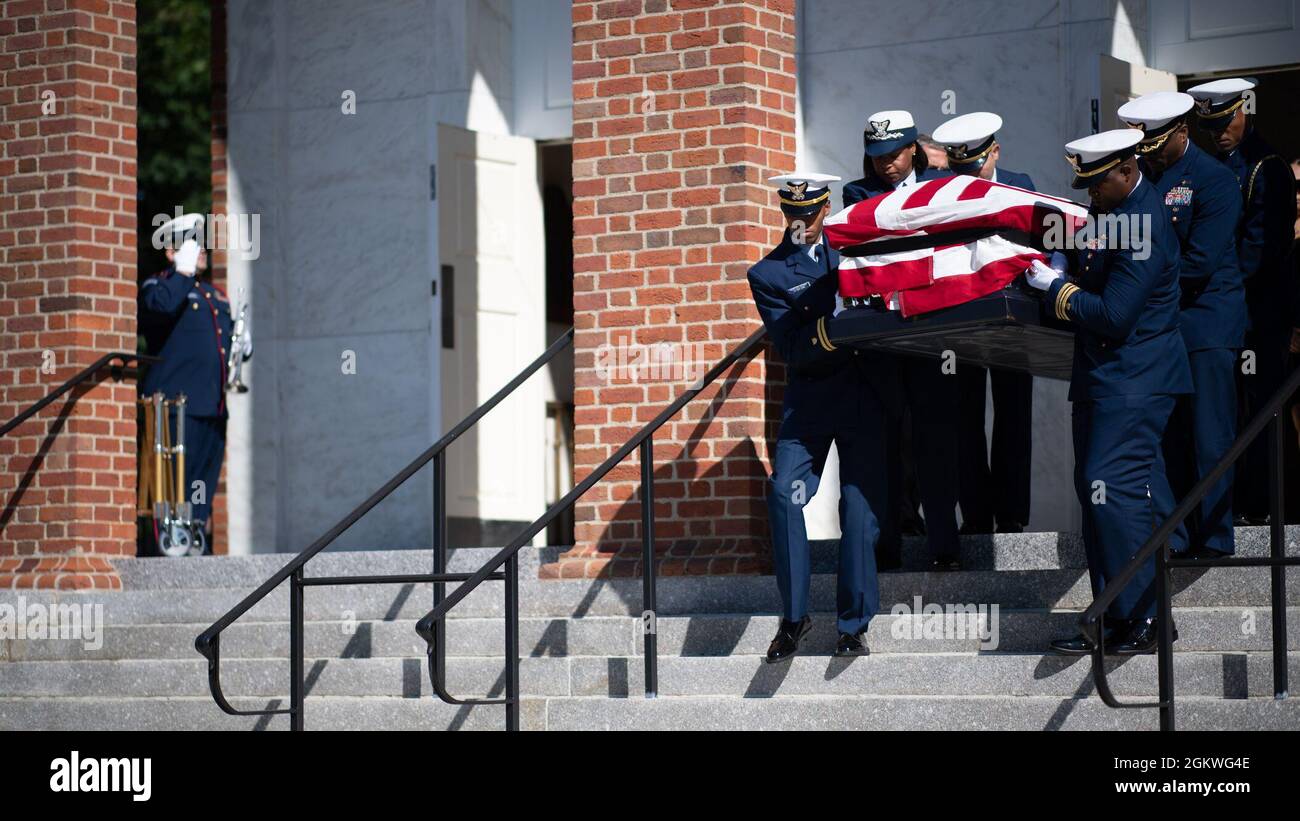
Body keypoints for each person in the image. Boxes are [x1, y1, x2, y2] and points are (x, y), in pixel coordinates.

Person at [1026, 129, 1192, 655]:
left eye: (1098, 184)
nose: (1090, 195)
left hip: (1135, 380)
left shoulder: (1142, 227)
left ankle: (1143, 619)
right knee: (1095, 496)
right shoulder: (1113, 217)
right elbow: (1093, 268)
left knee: (1112, 490)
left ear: (1127, 171)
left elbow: (1115, 316)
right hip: (1103, 381)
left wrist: (1057, 290)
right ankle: (1113, 616)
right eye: (1087, 186)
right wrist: (1063, 264)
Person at [748, 172, 889, 661]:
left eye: (808, 216)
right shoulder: (766, 274)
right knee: (784, 495)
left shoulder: (852, 250)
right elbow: (793, 347)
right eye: (791, 215)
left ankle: (853, 625)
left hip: (863, 396)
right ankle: (794, 618)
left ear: (824, 211)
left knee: (858, 511)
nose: (799, 224)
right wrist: (836, 320)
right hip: (809, 401)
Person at [1119, 91, 1244, 559]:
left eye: (1155, 142)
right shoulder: (1142, 180)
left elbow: (1199, 261)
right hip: (1160, 328)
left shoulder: (1213, 178)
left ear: (1181, 132)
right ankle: (1174, 537)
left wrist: (1136, 292)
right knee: (1166, 437)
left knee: (1210, 437)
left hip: (1205, 323)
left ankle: (1214, 538)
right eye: (1142, 144)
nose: (1147, 151)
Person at [842, 109, 962, 571]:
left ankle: (944, 548)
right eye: (877, 157)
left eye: (893, 155)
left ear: (914, 147)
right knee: (886, 444)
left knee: (937, 442)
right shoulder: (859, 192)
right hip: (883, 337)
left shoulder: (941, 184)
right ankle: (886, 547)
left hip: (934, 337)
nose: (885, 165)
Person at [1188, 78, 1299, 525]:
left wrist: (1212, 281)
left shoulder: (1266, 166)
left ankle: (1262, 507)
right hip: (1226, 313)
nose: (1219, 132)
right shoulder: (1216, 166)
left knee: (1261, 412)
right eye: (1210, 124)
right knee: (1227, 413)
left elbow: (1262, 247)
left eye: (1225, 121)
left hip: (1258, 314)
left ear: (1244, 112)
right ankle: (1231, 506)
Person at [931, 111, 1034, 535]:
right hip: (960, 318)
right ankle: (975, 516)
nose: (966, 176)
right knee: (963, 417)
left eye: (974, 166)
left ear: (994, 152)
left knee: (1013, 414)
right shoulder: (938, 191)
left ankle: (1010, 515)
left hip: (1010, 317)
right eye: (958, 168)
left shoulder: (1020, 185)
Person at [138, 213, 248, 555]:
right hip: (175, 403)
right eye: (192, 243)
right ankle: (166, 539)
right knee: (172, 478)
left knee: (203, 477)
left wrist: (242, 345)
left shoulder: (215, 295)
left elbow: (222, 344)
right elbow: (159, 309)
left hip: (212, 404)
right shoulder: (160, 286)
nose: (202, 250)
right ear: (171, 251)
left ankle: (195, 532)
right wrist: (181, 273)